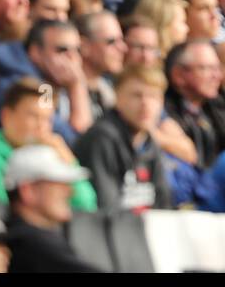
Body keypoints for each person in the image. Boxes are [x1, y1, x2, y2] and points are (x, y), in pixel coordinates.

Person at [0, 77, 98, 212]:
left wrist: (68, 160)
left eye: (47, 119)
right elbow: (1, 209)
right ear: (6, 115)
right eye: (33, 116)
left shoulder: (50, 155)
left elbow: (87, 205)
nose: (41, 126)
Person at [74, 63, 173, 211]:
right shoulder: (101, 138)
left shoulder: (149, 142)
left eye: (153, 96)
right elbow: (106, 208)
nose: (145, 104)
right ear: (117, 98)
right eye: (137, 95)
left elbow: (164, 205)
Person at [3, 144, 102, 273]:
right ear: (28, 191)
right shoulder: (31, 243)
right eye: (59, 184)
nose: (71, 192)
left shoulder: (29, 237)